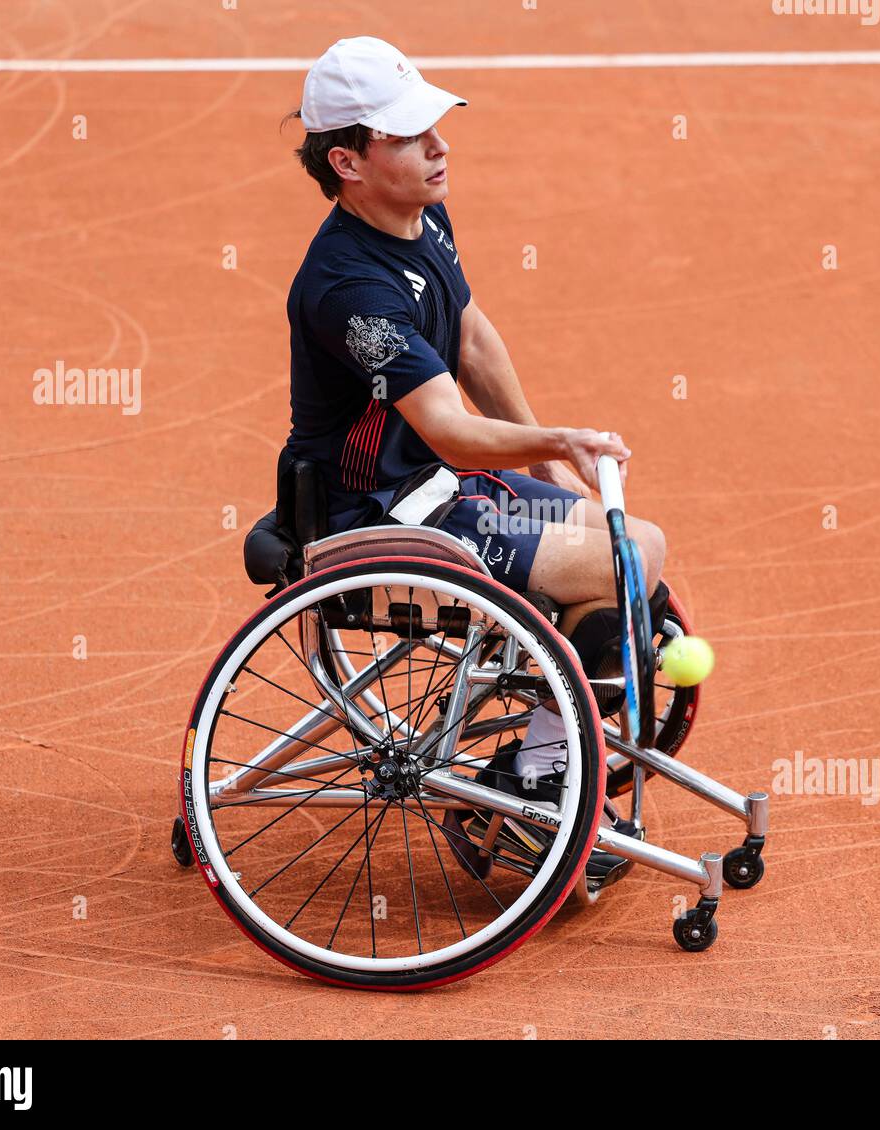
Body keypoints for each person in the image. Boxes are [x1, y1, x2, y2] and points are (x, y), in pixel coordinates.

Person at [283, 37, 669, 877]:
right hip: (380, 515)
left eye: (434, 123)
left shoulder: (421, 218)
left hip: (442, 489)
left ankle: (535, 772)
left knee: (641, 551)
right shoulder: (349, 290)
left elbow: (471, 335)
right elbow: (451, 426)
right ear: (348, 160)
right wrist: (558, 438)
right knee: (616, 562)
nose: (439, 144)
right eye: (410, 135)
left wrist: (542, 465)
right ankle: (529, 787)